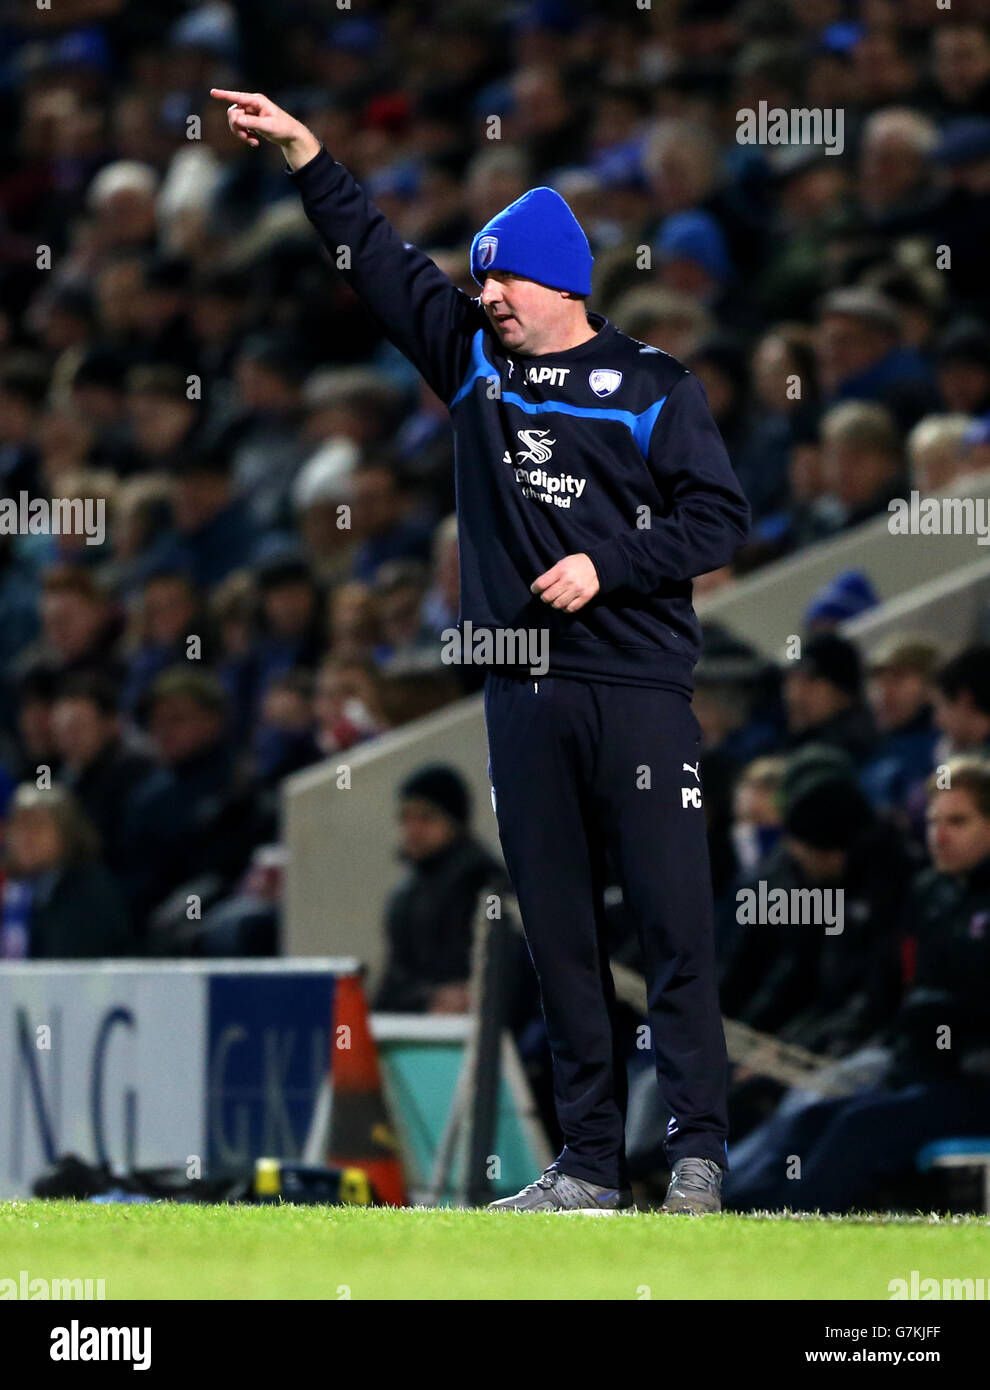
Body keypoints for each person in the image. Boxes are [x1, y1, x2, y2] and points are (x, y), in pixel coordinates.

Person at [211, 87, 750, 1214]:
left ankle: (698, 1154)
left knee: (671, 922)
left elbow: (721, 520)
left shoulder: (656, 386)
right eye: (480, 278)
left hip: (640, 690)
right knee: (556, 935)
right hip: (522, 690)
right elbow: (377, 261)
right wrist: (312, 154)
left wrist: (613, 563)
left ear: (563, 282)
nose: (484, 294)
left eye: (502, 278)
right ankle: (591, 1165)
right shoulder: (470, 362)